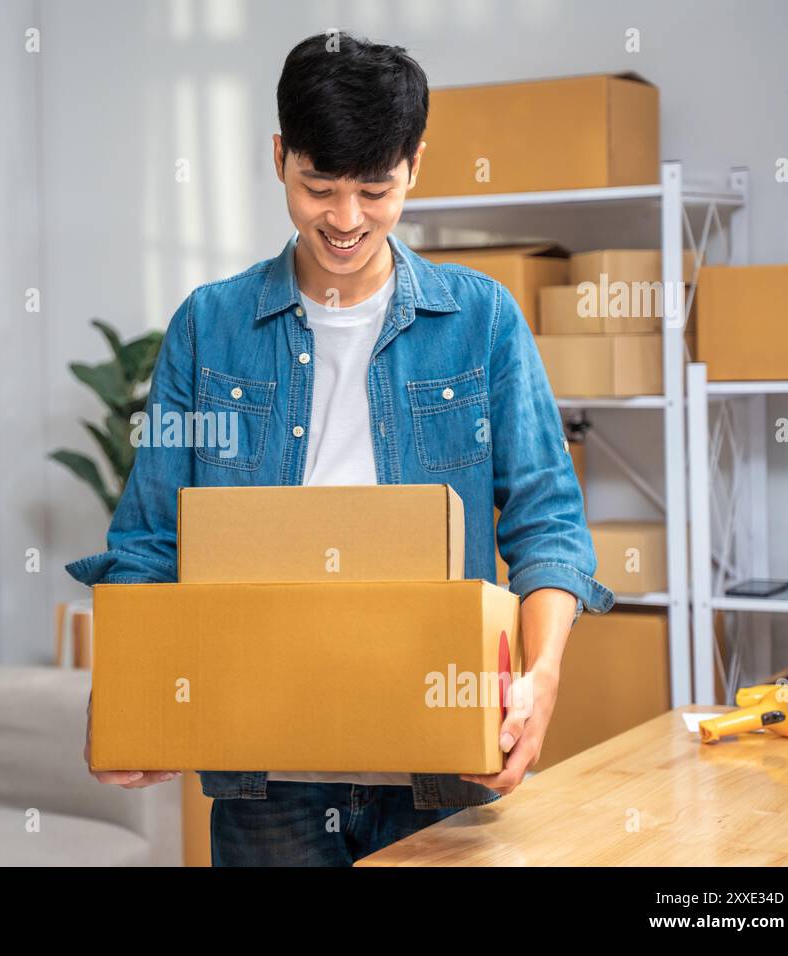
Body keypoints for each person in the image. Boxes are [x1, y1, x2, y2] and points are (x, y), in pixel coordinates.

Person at [66, 31, 613, 867]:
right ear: (279, 157)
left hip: (441, 760)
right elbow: (148, 540)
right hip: (264, 775)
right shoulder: (210, 326)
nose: (346, 219)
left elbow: (548, 524)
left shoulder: (483, 321)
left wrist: (541, 678)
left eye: (374, 190)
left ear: (415, 165)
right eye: (318, 187)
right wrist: (129, 696)